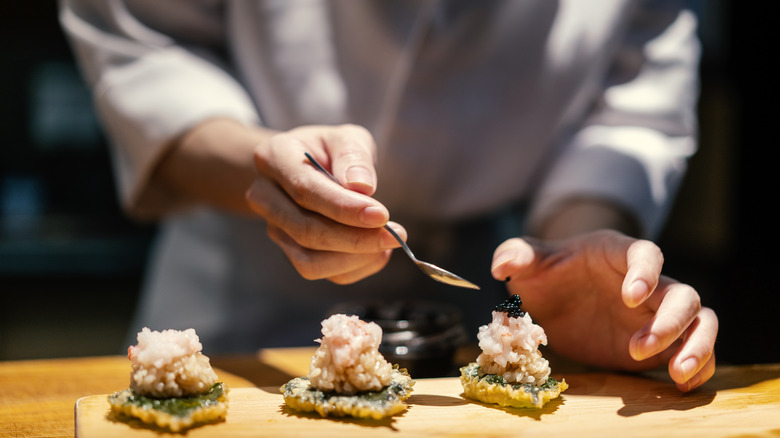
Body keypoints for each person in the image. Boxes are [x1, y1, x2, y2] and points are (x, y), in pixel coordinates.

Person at [59, 0, 717, 391]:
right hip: (240, 302)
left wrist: (575, 251)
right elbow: (141, 44)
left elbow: (632, 107)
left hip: (483, 295)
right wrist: (261, 168)